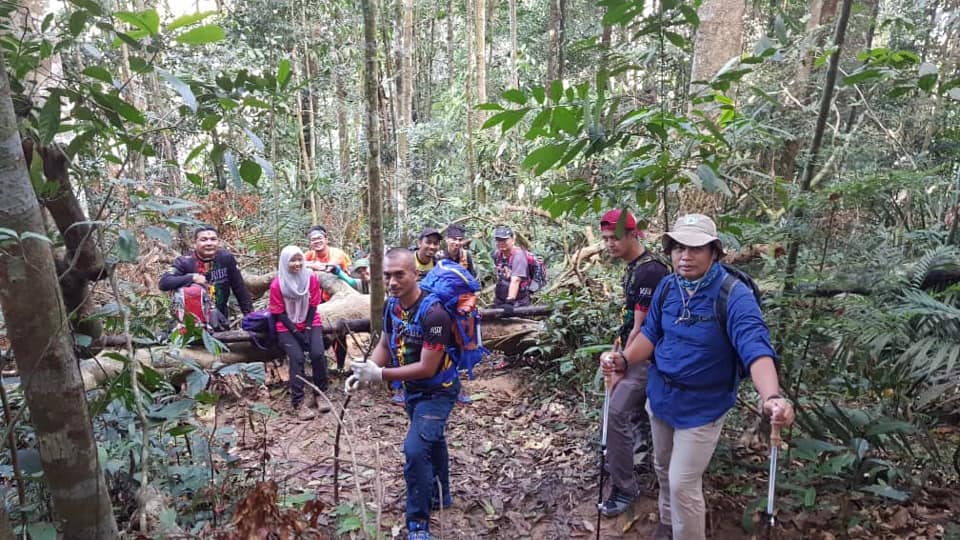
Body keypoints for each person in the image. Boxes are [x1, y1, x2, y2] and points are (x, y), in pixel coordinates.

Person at [600, 214, 795, 540]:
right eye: (678, 248)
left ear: (714, 252)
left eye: (695, 249)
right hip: (661, 396)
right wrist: (623, 360)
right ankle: (666, 523)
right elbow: (650, 334)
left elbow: (755, 346)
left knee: (682, 482)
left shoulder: (733, 295)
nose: (685, 256)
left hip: (704, 405)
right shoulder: (667, 287)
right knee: (663, 468)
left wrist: (771, 396)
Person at [345, 248, 460, 540]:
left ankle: (418, 525)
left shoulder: (434, 314)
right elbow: (386, 341)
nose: (393, 282)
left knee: (415, 449)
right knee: (432, 441)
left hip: (438, 391)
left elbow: (427, 366)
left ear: (415, 274)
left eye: (399, 275)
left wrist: (380, 375)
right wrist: (367, 369)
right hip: (412, 391)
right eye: (387, 276)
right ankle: (440, 495)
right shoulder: (392, 305)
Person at [597, 209, 670, 518]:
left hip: (648, 357)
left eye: (615, 238)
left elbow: (643, 327)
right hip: (631, 350)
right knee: (624, 414)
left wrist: (621, 364)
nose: (610, 244)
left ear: (632, 234)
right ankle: (627, 464)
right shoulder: (635, 266)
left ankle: (626, 486)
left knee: (616, 412)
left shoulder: (650, 271)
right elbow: (630, 320)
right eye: (605, 239)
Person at [269, 246, 328, 421]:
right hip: (286, 325)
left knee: (317, 354)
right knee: (297, 358)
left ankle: (320, 393)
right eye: (292, 260)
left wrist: (308, 329)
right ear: (285, 262)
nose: (297, 263)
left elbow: (314, 304)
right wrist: (296, 332)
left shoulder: (311, 277)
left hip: (310, 321)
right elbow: (279, 312)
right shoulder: (277, 284)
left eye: (299, 259)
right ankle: (298, 402)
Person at [160, 225, 253, 330]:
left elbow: (239, 288)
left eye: (213, 239)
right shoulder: (184, 262)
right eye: (203, 240)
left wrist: (250, 316)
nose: (209, 243)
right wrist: (191, 278)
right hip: (192, 323)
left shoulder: (226, 258)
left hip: (220, 320)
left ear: (218, 242)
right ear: (195, 243)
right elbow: (164, 282)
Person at [303, 225, 351, 372]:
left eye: (319, 238)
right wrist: (313, 265)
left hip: (341, 297)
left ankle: (340, 366)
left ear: (326, 239)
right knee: (319, 331)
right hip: (320, 299)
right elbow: (297, 264)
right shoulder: (310, 255)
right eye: (313, 239)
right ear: (310, 243)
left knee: (339, 334)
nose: (317, 241)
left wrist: (314, 266)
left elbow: (331, 266)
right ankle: (321, 365)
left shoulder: (336, 253)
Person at [491, 225, 530, 312]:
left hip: (518, 301)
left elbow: (516, 280)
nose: (501, 242)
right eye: (498, 240)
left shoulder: (518, 256)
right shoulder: (497, 254)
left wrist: (510, 300)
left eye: (504, 240)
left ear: (513, 240)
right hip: (501, 299)